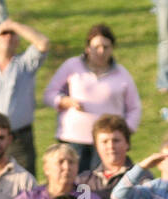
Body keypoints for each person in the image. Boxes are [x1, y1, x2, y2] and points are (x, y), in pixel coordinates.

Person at [43, 24, 142, 174]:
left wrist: (124, 133)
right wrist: (65, 101)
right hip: (73, 138)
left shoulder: (121, 74)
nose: (101, 51)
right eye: (96, 47)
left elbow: (134, 107)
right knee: (74, 183)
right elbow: (50, 93)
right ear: (88, 48)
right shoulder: (72, 66)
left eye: (106, 47)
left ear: (112, 48)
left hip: (106, 142)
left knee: (100, 183)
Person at [0, 18, 49, 175]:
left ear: (18, 41)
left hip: (20, 137)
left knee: (25, 183)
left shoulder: (25, 65)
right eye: (3, 34)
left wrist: (14, 25)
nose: (8, 37)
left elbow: (43, 43)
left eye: (12, 35)